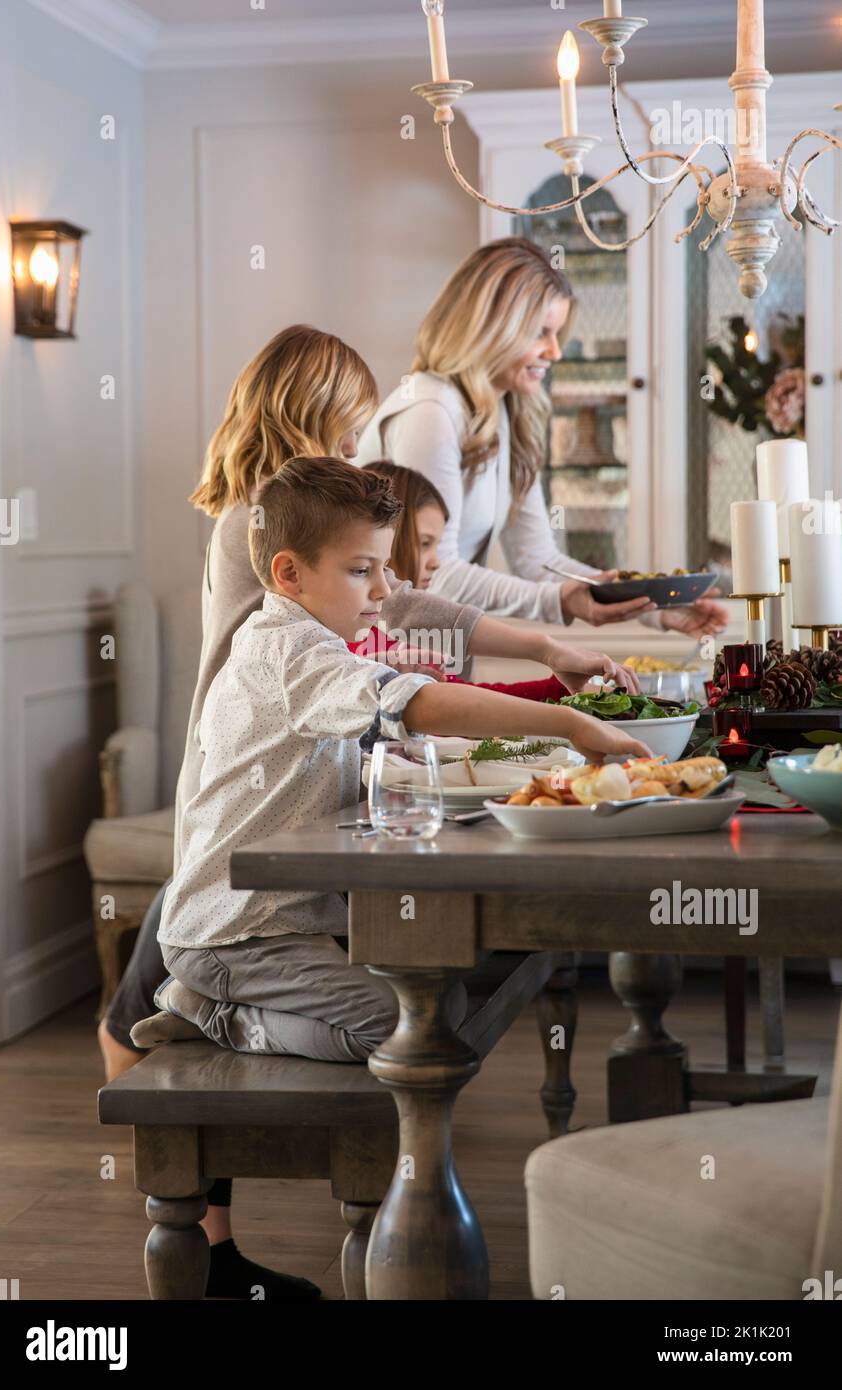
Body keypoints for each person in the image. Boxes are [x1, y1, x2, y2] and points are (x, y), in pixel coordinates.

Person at [97, 324, 486, 1300]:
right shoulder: (264, 531)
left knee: (189, 987)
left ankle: (220, 1226)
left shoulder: (298, 533)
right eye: (349, 427)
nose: (359, 445)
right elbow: (344, 652)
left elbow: (382, 622)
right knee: (159, 999)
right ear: (304, 415)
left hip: (252, 822)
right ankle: (216, 1228)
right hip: (231, 830)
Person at [135, 457, 652, 1070]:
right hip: (235, 932)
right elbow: (422, 706)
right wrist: (568, 720)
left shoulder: (309, 642)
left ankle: (215, 998)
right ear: (289, 573)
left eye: (384, 569)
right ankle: (219, 1014)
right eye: (362, 571)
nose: (383, 590)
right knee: (399, 1025)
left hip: (281, 921)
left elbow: (382, 705)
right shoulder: (290, 652)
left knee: (441, 995)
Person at [356, 237, 728, 639]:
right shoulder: (430, 413)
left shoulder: (505, 413)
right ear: (490, 328)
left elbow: (537, 558)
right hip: (387, 650)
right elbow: (436, 573)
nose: (555, 352)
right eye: (540, 333)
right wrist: (561, 600)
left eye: (557, 334)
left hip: (435, 643)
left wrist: (654, 605)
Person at [351, 460, 639, 702]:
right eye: (425, 543)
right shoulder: (373, 634)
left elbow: (462, 694)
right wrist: (552, 674)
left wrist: (556, 689)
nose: (437, 561)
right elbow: (456, 703)